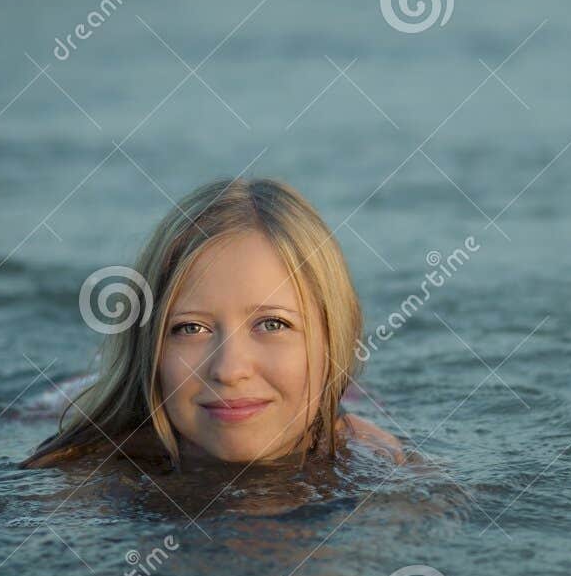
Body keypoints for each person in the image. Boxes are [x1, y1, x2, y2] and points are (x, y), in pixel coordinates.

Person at [21, 177, 403, 473]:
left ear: (334, 340)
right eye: (190, 328)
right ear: (147, 349)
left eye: (272, 324)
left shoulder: (374, 456)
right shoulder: (86, 473)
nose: (229, 370)